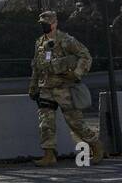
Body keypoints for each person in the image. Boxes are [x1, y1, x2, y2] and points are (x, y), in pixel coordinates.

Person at [30, 10, 103, 166]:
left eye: (46, 23)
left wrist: (76, 74)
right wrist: (33, 86)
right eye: (42, 23)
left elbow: (85, 55)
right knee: (46, 123)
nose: (44, 26)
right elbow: (36, 66)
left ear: (54, 23)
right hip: (46, 89)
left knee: (75, 122)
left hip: (64, 88)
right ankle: (49, 155)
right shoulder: (40, 42)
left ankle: (96, 146)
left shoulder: (66, 40)